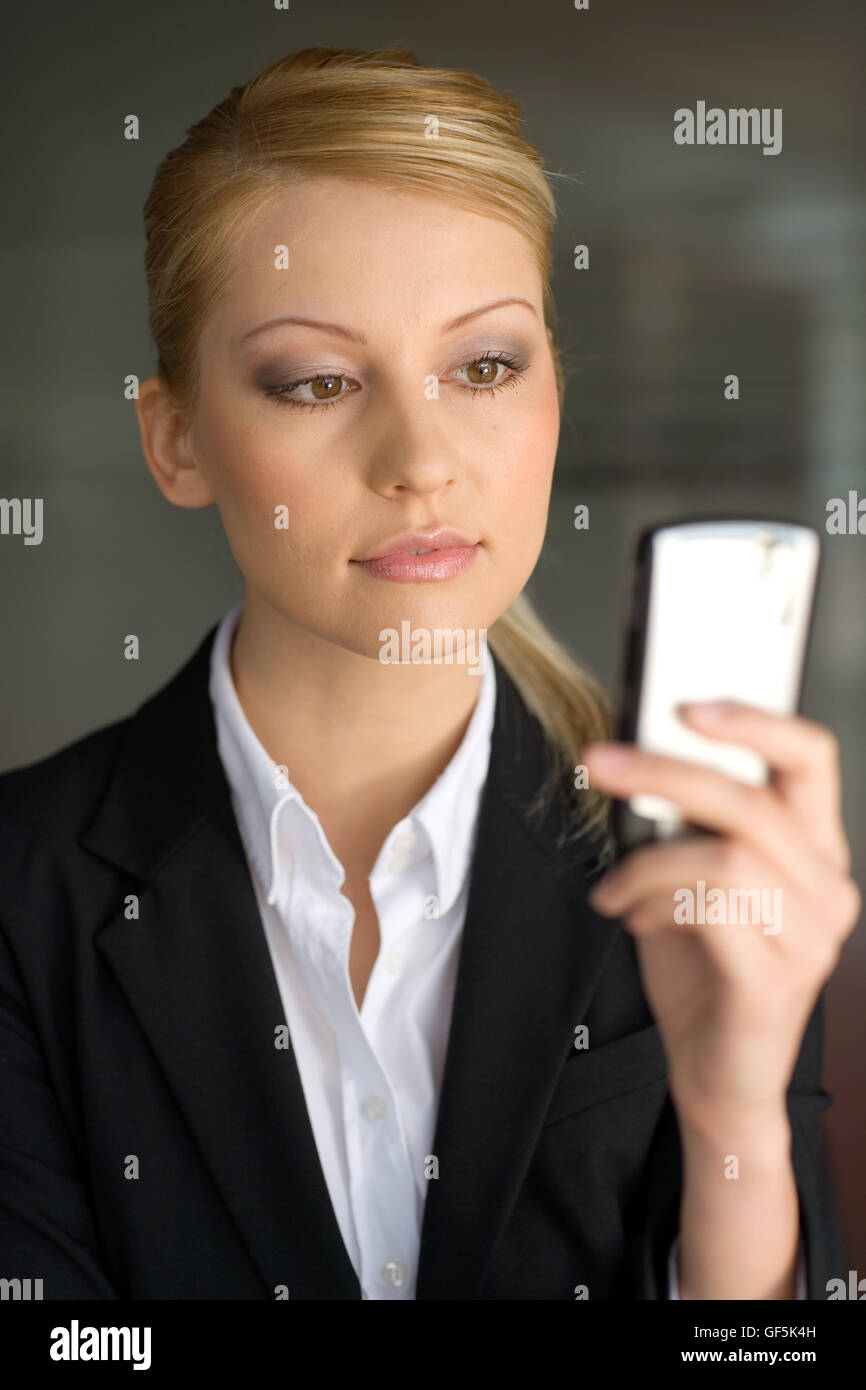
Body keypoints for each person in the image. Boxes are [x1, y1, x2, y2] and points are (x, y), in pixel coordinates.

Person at [0, 45, 858, 1301]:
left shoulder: (687, 854)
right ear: (176, 440)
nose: (421, 458)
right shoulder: (23, 896)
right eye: (318, 381)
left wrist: (735, 1119)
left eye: (485, 366)